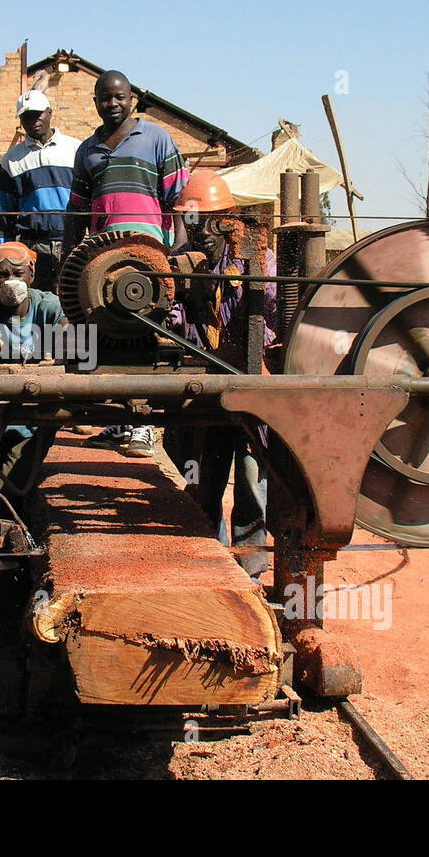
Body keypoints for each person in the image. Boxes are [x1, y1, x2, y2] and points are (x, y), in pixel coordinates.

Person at [67, 70, 189, 458]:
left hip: (150, 253)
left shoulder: (156, 137)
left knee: (147, 334)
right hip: (103, 256)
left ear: (132, 98)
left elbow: (177, 198)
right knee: (113, 334)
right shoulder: (87, 149)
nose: (112, 103)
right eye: (104, 98)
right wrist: (69, 256)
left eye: (119, 96)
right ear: (96, 102)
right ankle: (119, 424)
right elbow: (77, 209)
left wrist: (178, 248)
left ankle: (143, 430)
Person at [162, 169, 278, 576]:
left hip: (250, 388)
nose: (198, 234)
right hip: (206, 387)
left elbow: (276, 318)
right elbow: (174, 318)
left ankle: (251, 562)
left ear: (228, 220)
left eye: (207, 224)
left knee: (251, 476)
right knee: (205, 474)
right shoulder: (185, 264)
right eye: (190, 223)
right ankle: (208, 556)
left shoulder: (258, 258)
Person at [0, 241, 64, 501]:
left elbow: (70, 335)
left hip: (35, 414)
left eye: (17, 273)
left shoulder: (48, 306)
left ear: (31, 274)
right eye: (1, 275)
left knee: (12, 478)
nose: (10, 281)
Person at [0, 91, 80, 292]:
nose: (33, 120)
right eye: (26, 116)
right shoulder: (12, 160)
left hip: (72, 242)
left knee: (75, 301)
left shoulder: (75, 149)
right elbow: (3, 215)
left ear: (49, 113)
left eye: (38, 114)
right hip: (32, 247)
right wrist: (3, 255)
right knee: (34, 303)